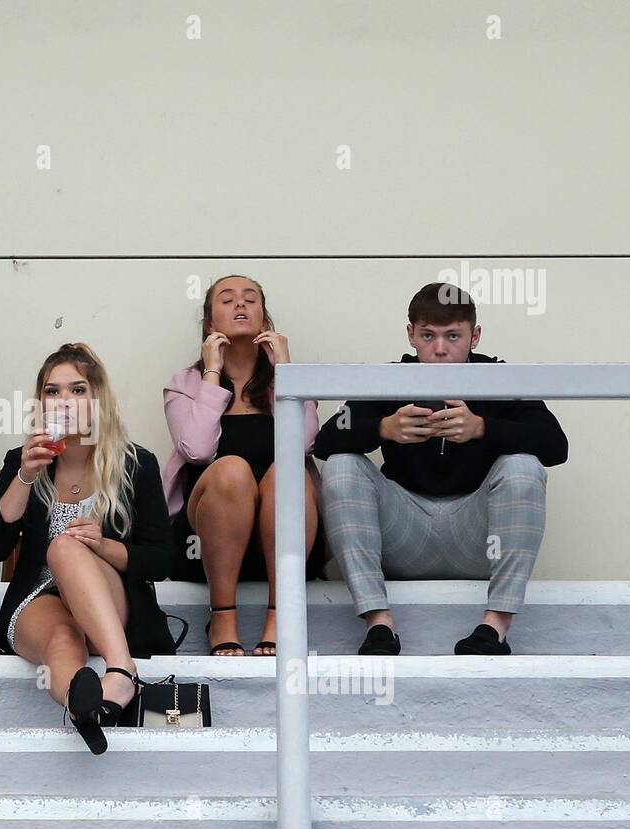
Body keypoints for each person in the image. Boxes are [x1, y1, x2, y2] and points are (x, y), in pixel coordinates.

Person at [313, 282, 569, 656]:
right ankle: (379, 624)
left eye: (453, 336)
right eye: (428, 336)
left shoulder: (499, 377)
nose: (440, 349)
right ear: (411, 335)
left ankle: (495, 627)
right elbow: (325, 441)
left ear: (474, 336)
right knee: (342, 466)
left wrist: (482, 428)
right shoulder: (391, 378)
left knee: (523, 466)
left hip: (478, 539)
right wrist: (383, 428)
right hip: (405, 535)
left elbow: (555, 445)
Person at [0, 343, 174, 755]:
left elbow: (161, 559)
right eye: (52, 391)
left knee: (65, 549)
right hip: (41, 599)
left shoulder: (135, 463)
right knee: (62, 640)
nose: (64, 400)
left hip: (107, 601)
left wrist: (102, 546)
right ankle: (85, 707)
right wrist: (25, 476)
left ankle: (121, 669)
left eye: (78, 390)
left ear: (98, 399)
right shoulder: (22, 460)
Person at [161, 275, 321, 657]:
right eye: (227, 299)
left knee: (287, 474)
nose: (240, 305)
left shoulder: (289, 380)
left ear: (264, 319)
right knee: (231, 468)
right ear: (209, 323)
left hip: (285, 544)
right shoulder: (185, 384)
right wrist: (212, 373)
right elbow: (197, 450)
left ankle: (280, 617)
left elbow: (303, 443)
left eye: (250, 299)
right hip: (206, 545)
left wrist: (284, 371)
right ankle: (222, 618)